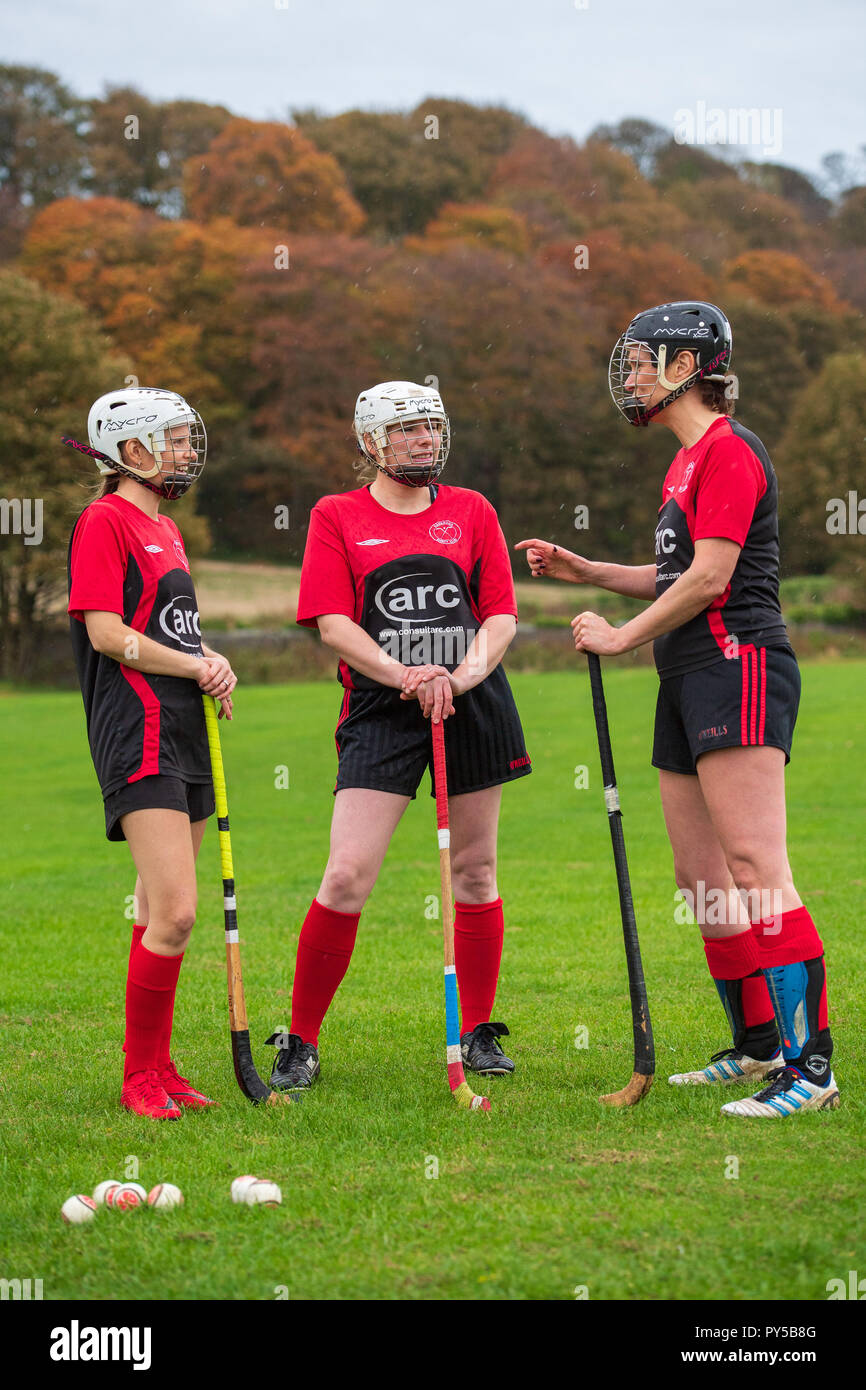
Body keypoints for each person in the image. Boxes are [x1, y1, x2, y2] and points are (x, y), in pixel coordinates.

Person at [517, 301, 838, 1118]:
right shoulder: (685, 463)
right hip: (686, 674)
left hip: (739, 664)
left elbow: (709, 580)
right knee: (702, 879)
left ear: (688, 367)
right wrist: (587, 570)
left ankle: (813, 1069)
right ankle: (758, 1046)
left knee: (757, 869)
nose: (627, 374)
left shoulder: (730, 451)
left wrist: (621, 638)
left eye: (640, 360)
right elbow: (674, 572)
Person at [265, 380, 531, 1094]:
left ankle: (475, 1032)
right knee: (347, 873)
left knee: (475, 871)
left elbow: (500, 616)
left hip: (471, 703)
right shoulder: (337, 515)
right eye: (407, 428)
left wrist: (461, 677)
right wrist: (405, 674)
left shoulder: (472, 510)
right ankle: (301, 1038)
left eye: (432, 426)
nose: (424, 438)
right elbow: (332, 622)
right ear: (371, 442)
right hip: (382, 709)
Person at [67, 387, 237, 1119]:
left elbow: (169, 628)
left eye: (186, 439)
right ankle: (138, 1077)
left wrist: (211, 659)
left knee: (155, 910)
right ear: (128, 450)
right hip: (135, 725)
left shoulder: (164, 528)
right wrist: (191, 663)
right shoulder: (103, 521)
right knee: (175, 912)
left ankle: (160, 1066)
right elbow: (108, 633)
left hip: (185, 725)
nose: (185, 450)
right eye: (170, 439)